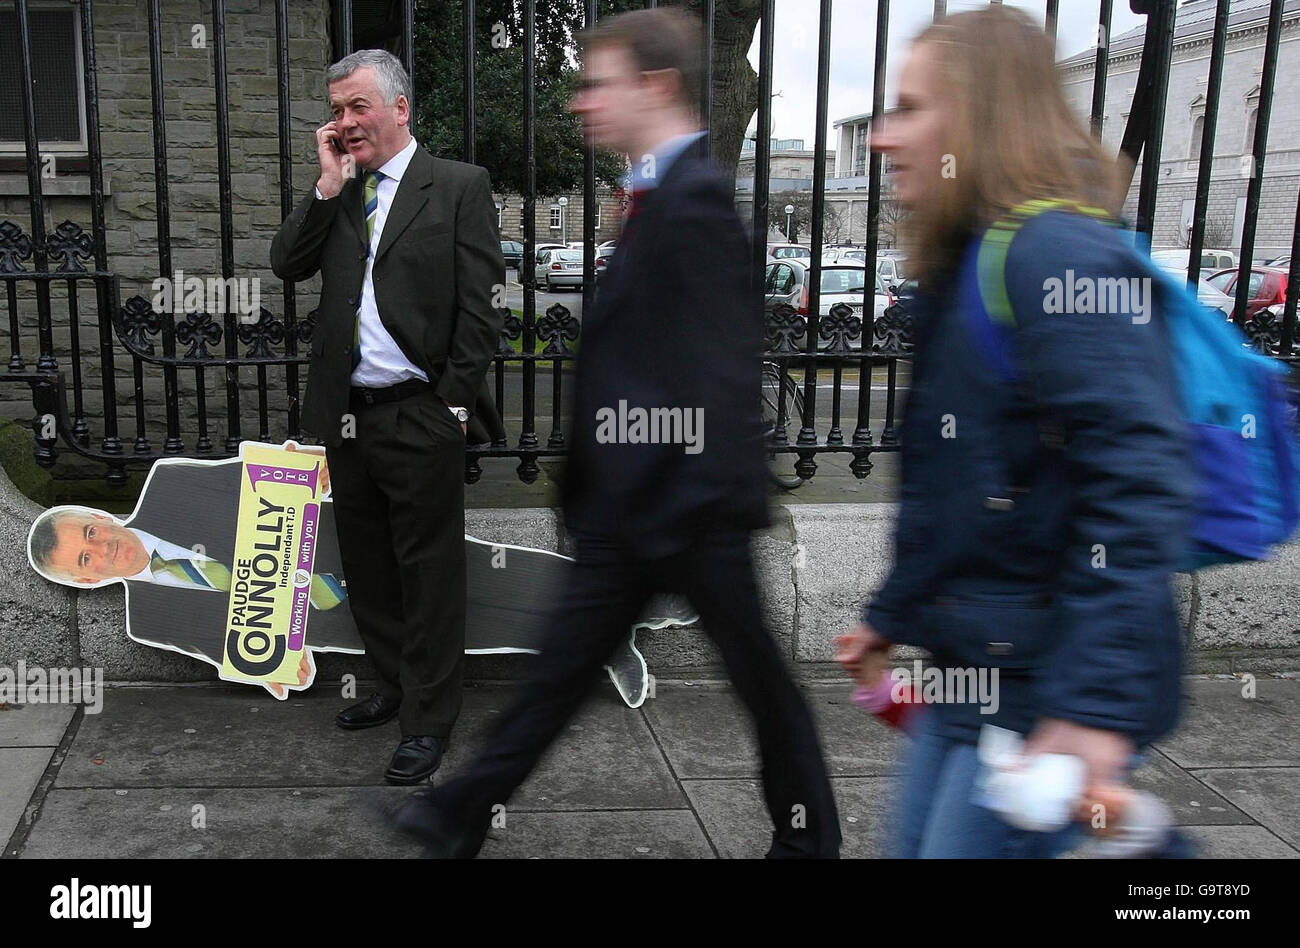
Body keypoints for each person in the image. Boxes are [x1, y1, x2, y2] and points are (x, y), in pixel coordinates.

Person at [394, 7, 841, 858]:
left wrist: (651, 505)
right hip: (642, 512)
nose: (580, 103)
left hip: (685, 513)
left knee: (758, 684)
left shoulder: (695, 204)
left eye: (597, 84)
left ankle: (810, 837)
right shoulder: (655, 197)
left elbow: (712, 378)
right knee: (561, 675)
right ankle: (458, 815)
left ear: (655, 86)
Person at [835, 6, 1194, 858]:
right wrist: (892, 611)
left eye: (913, 108)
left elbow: (1142, 478)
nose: (883, 138)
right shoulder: (962, 264)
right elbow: (952, 481)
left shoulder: (1055, 256)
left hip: (1048, 678)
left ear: (981, 119)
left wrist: (1093, 705)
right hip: (975, 665)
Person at [271, 49, 505, 783]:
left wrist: (454, 405)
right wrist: (327, 182)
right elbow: (286, 264)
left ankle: (429, 722)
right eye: (336, 110)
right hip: (349, 415)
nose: (343, 122)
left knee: (428, 572)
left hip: (421, 413)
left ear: (400, 108)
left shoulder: (459, 186)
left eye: (356, 107)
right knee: (369, 566)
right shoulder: (340, 189)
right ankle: (393, 687)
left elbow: (482, 308)